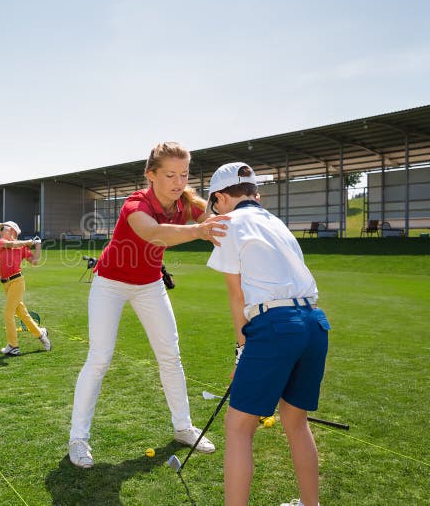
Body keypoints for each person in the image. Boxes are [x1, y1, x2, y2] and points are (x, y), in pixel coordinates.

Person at [68, 142, 230, 469]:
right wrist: (198, 230)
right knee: (100, 357)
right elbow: (154, 234)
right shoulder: (135, 204)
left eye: (183, 174)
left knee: (170, 354)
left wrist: (243, 209)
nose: (177, 181)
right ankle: (78, 438)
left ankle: (183, 427)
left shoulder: (185, 202)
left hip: (150, 285)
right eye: (169, 174)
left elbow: (219, 216)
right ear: (151, 175)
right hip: (110, 284)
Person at [204, 162, 330, 506]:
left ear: (220, 199)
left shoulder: (228, 223)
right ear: (255, 195)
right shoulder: (277, 223)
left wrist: (241, 350)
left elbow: (237, 295)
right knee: (295, 420)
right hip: (314, 323)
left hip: (275, 326)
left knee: (238, 425)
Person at [0, 220, 50, 356]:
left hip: (17, 282)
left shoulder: (22, 247)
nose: (0, 230)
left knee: (8, 313)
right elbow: (10, 244)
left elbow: (34, 261)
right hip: (6, 284)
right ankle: (40, 333)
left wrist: (38, 246)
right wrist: (28, 242)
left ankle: (13, 346)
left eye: (3, 227)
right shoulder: (0, 242)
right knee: (22, 313)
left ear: (12, 230)